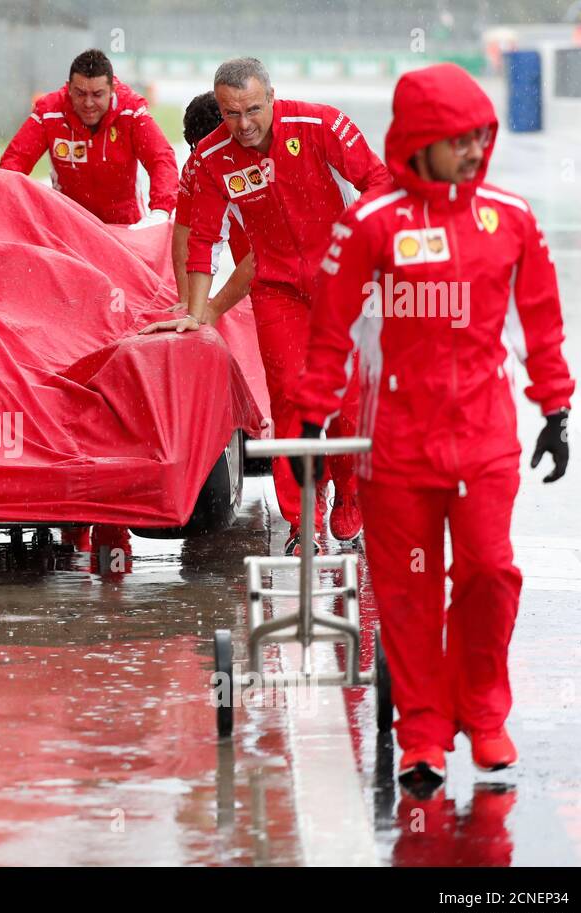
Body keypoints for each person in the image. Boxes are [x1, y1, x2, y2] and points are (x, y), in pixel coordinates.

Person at [290, 63, 573, 793]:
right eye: (459, 139)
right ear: (418, 143)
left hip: (484, 439)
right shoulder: (371, 223)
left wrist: (557, 405)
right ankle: (420, 730)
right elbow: (331, 329)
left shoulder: (509, 216)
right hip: (399, 444)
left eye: (482, 134)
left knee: (488, 570)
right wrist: (312, 415)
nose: (477, 150)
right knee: (409, 591)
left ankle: (483, 714)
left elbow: (541, 319)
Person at [181, 57, 392, 554]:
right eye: (231, 114)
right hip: (277, 291)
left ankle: (351, 496)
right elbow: (199, 239)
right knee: (293, 399)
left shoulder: (319, 124)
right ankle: (303, 518)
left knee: (346, 401)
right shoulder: (212, 158)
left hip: (341, 283)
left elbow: (379, 183)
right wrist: (196, 313)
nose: (244, 124)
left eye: (253, 109)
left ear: (272, 97)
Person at [0, 48, 176, 226]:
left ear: (112, 89)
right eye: (80, 94)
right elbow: (15, 161)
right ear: (69, 88)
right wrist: (9, 210)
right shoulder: (49, 112)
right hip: (69, 226)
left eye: (97, 94)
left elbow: (161, 158)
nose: (89, 103)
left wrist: (161, 211)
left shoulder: (131, 111)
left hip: (124, 227)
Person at [140, 91, 254, 330]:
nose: (205, 160)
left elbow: (264, 255)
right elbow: (183, 236)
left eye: (211, 152)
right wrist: (187, 300)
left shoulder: (257, 163)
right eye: (197, 151)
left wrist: (213, 308)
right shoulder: (195, 167)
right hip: (250, 259)